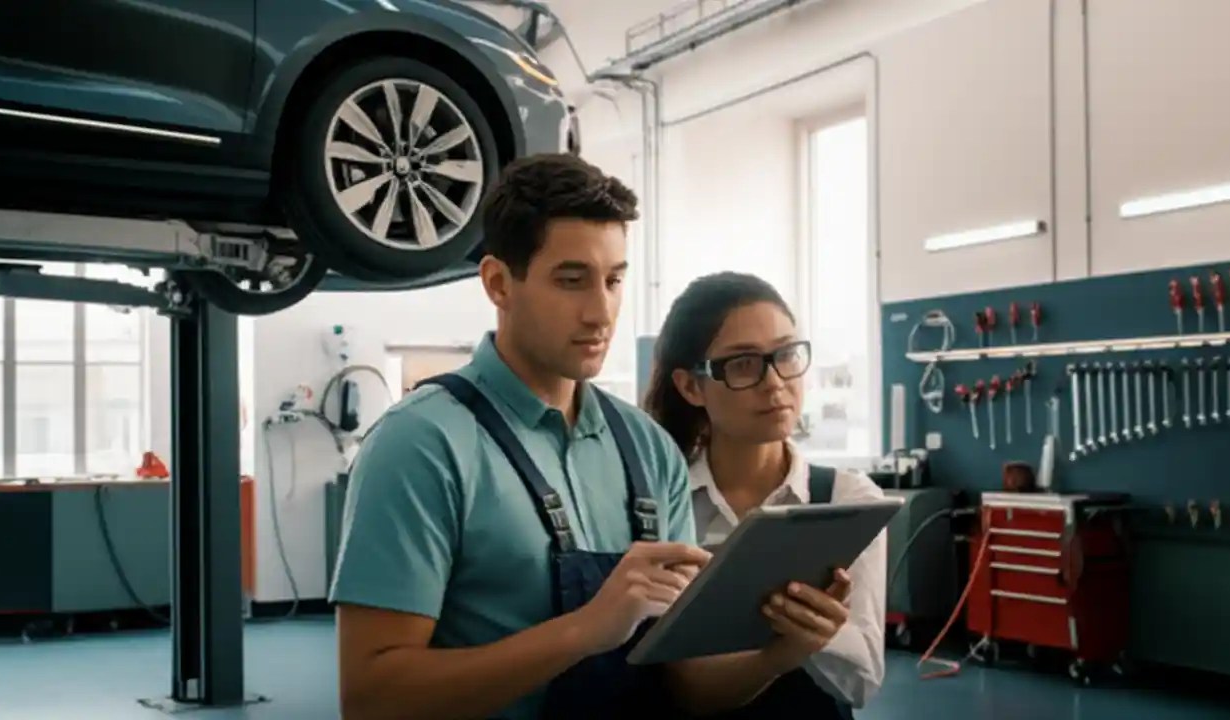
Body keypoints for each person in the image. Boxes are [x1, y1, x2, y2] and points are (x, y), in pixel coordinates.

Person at [328, 154, 851, 720]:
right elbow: (372, 696)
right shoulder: (421, 445)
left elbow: (685, 685)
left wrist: (779, 654)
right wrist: (583, 630)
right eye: (571, 280)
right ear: (499, 283)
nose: (601, 312)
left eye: (614, 280)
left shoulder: (648, 448)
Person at [644, 271, 889, 719]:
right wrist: (777, 653)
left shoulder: (846, 500)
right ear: (690, 386)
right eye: (743, 364)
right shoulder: (661, 502)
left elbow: (864, 679)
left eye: (786, 355)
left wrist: (820, 635)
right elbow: (670, 682)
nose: (775, 382)